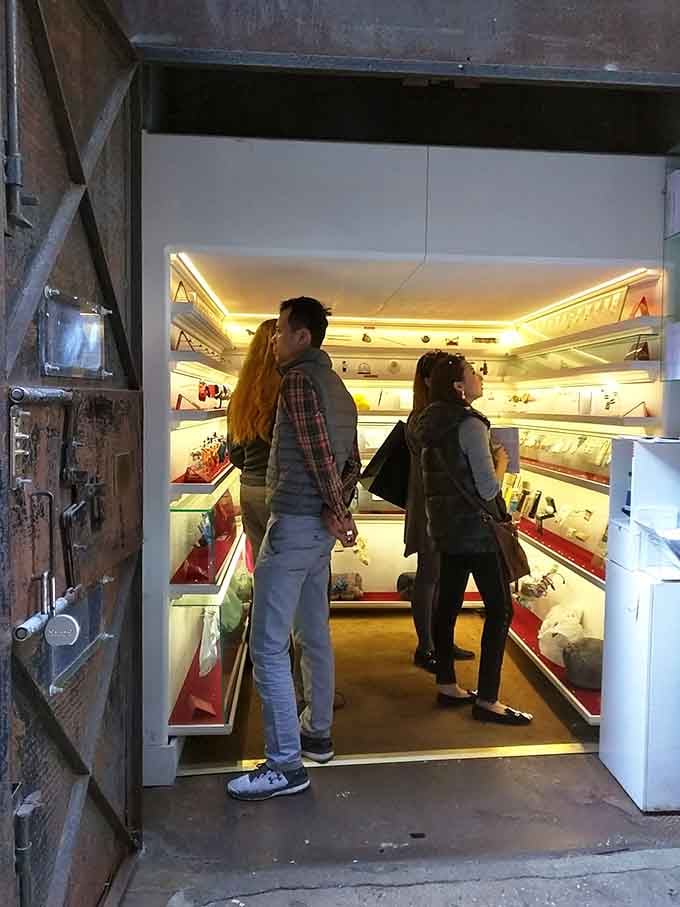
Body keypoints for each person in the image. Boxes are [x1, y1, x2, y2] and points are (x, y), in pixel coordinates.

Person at [228, 296, 360, 801]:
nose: (275, 340)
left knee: (266, 644)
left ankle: (285, 764)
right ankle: (317, 735)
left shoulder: (300, 382)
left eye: (281, 331)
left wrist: (337, 508)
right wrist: (339, 507)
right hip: (317, 530)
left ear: (302, 336)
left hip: (295, 524)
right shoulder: (337, 386)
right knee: (314, 631)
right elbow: (351, 459)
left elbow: (317, 453)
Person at [417, 354, 533, 725]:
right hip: (479, 533)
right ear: (458, 387)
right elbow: (486, 487)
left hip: (448, 530)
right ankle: (488, 698)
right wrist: (500, 461)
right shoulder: (470, 426)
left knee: (447, 604)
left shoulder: (428, 423)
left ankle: (447, 682)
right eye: (473, 373)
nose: (479, 377)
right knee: (501, 611)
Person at [405, 352, 474, 671]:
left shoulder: (431, 415)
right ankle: (426, 646)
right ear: (431, 380)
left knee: (442, 576)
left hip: (439, 504)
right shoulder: (424, 418)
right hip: (430, 505)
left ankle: (440, 641)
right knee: (430, 574)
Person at [227, 319, 280, 562]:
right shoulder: (288, 389)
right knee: (288, 570)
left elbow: (236, 454)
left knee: (262, 566)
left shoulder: (240, 395)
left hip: (250, 489)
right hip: (281, 490)